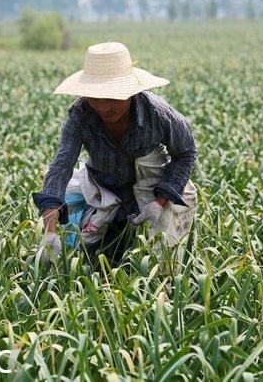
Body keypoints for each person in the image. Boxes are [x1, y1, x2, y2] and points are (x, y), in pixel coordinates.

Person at [33, 42, 197, 266]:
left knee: (164, 262)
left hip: (151, 188)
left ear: (130, 91)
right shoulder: (80, 114)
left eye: (110, 98)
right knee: (100, 263)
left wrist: (160, 202)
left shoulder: (158, 114)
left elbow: (186, 153)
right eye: (94, 97)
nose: (102, 107)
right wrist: (50, 232)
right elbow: (62, 166)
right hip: (107, 192)